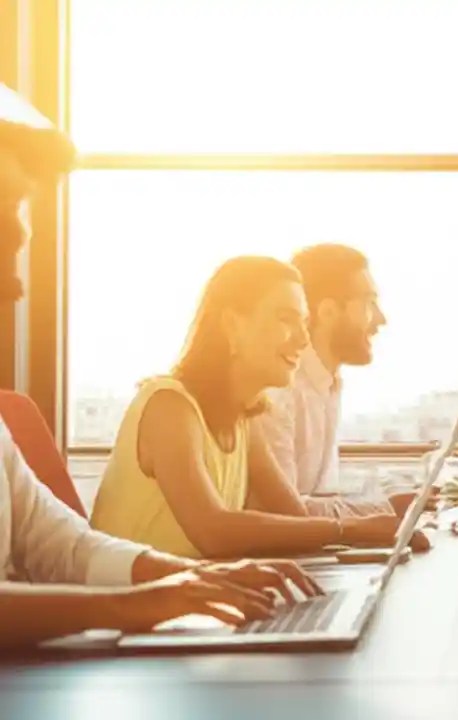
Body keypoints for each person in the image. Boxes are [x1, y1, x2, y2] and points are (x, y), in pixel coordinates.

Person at [0, 84, 321, 647]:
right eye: (6, 203)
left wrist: (187, 577)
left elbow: (65, 545)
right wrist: (137, 605)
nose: (23, 231)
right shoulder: (172, 404)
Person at [91, 256, 424, 558]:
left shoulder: (244, 419)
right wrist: (351, 529)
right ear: (232, 325)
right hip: (131, 613)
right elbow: (213, 532)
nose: (303, 338)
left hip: (197, 601)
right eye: (286, 319)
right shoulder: (168, 405)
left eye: (304, 322)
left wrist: (380, 527)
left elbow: (292, 515)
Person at [253, 244, 414, 517]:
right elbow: (283, 512)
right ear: (327, 311)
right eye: (368, 302)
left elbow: (319, 498)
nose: (380, 319)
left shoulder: (328, 384)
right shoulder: (279, 392)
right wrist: (384, 510)